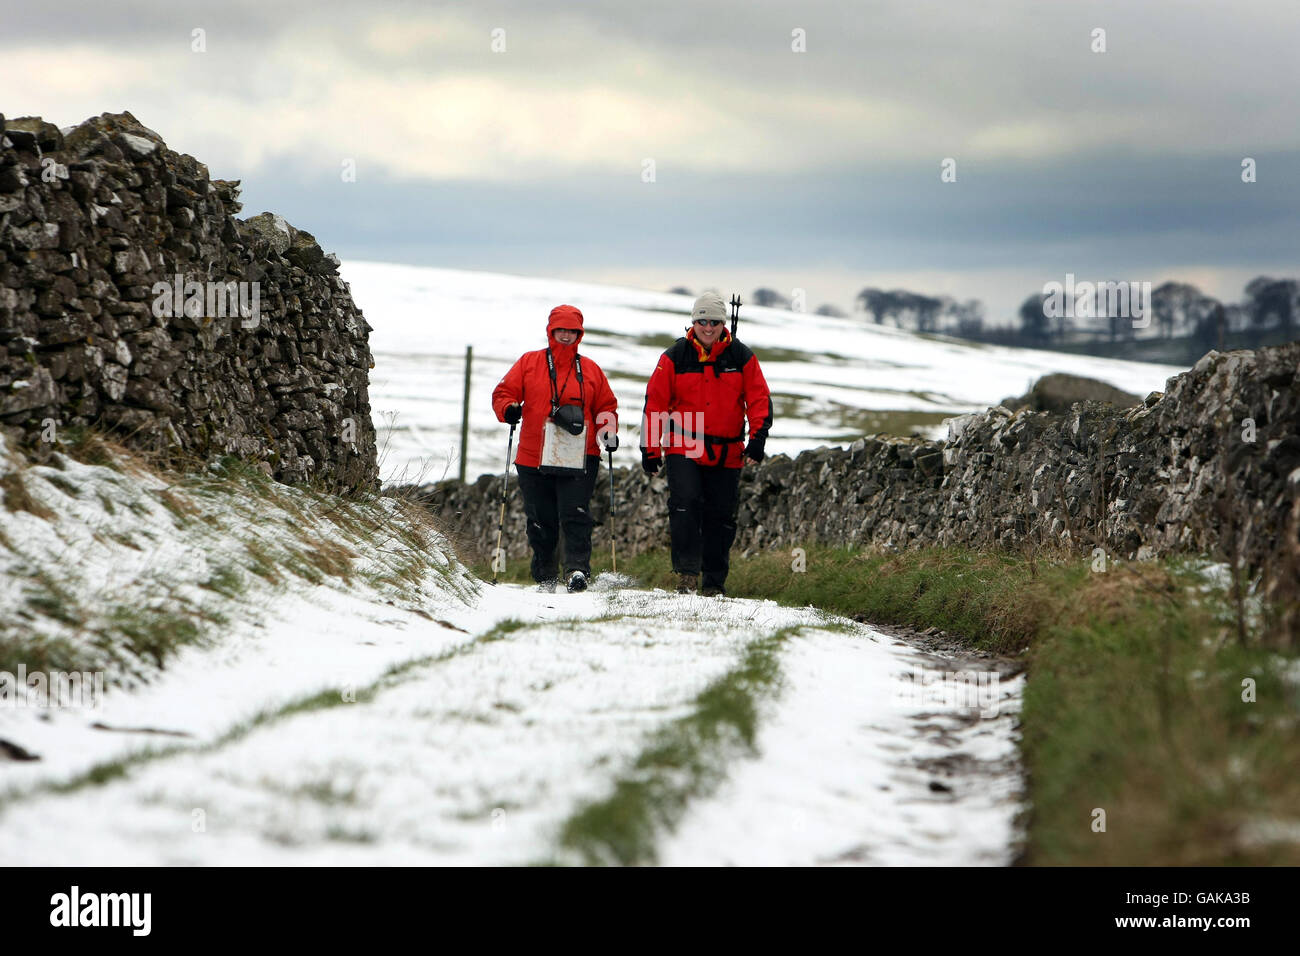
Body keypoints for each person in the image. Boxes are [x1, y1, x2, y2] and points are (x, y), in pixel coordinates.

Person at [639, 291, 772, 596]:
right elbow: (655, 403)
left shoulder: (741, 356)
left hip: (727, 447)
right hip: (684, 443)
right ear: (693, 322)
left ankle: (714, 583)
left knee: (721, 516)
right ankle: (687, 575)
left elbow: (759, 398)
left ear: (723, 323)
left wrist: (757, 439)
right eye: (702, 321)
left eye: (714, 321)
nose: (708, 328)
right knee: (684, 505)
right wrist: (650, 448)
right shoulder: (674, 357)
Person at [492, 304, 618, 593]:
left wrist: (608, 431)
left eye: (571, 330)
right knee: (540, 518)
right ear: (551, 331)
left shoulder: (591, 370)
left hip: (581, 454)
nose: (565, 335)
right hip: (533, 455)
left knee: (575, 513)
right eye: (560, 329)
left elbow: (606, 406)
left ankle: (577, 571)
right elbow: (504, 393)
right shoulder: (529, 363)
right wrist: (508, 409)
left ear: (579, 333)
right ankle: (545, 575)